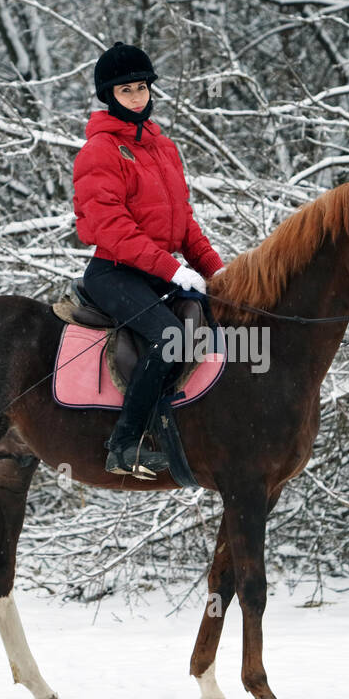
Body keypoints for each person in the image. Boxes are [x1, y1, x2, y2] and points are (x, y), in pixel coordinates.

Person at [71, 41, 224, 479]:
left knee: (221, 319)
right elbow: (113, 229)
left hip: (157, 271)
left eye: (141, 88)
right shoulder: (99, 152)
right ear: (109, 96)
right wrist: (174, 269)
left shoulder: (163, 148)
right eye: (126, 91)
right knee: (170, 337)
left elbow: (183, 223)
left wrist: (215, 270)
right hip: (115, 273)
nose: (138, 97)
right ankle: (125, 443)